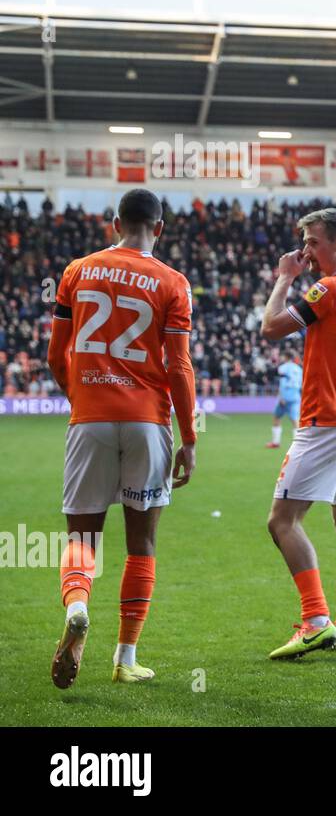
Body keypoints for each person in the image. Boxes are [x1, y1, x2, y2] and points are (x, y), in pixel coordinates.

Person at [46, 188, 197, 687]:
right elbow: (178, 366)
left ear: (115, 224)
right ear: (159, 228)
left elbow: (55, 356)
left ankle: (78, 606)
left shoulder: (76, 271)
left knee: (83, 538)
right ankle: (125, 657)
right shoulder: (173, 282)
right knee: (142, 542)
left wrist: (81, 398)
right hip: (147, 420)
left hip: (89, 416)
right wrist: (190, 436)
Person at [260, 208, 336, 657]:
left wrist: (284, 278)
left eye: (312, 242)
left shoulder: (328, 288)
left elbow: (270, 327)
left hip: (328, 421)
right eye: (304, 242)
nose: (305, 251)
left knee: (281, 520)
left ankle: (315, 620)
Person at [267, 352, 303, 448]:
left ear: (286, 357)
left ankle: (275, 442)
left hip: (286, 395)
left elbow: (283, 382)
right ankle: (298, 445)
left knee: (277, 417)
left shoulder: (283, 367)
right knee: (295, 420)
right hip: (296, 395)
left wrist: (282, 396)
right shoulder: (299, 369)